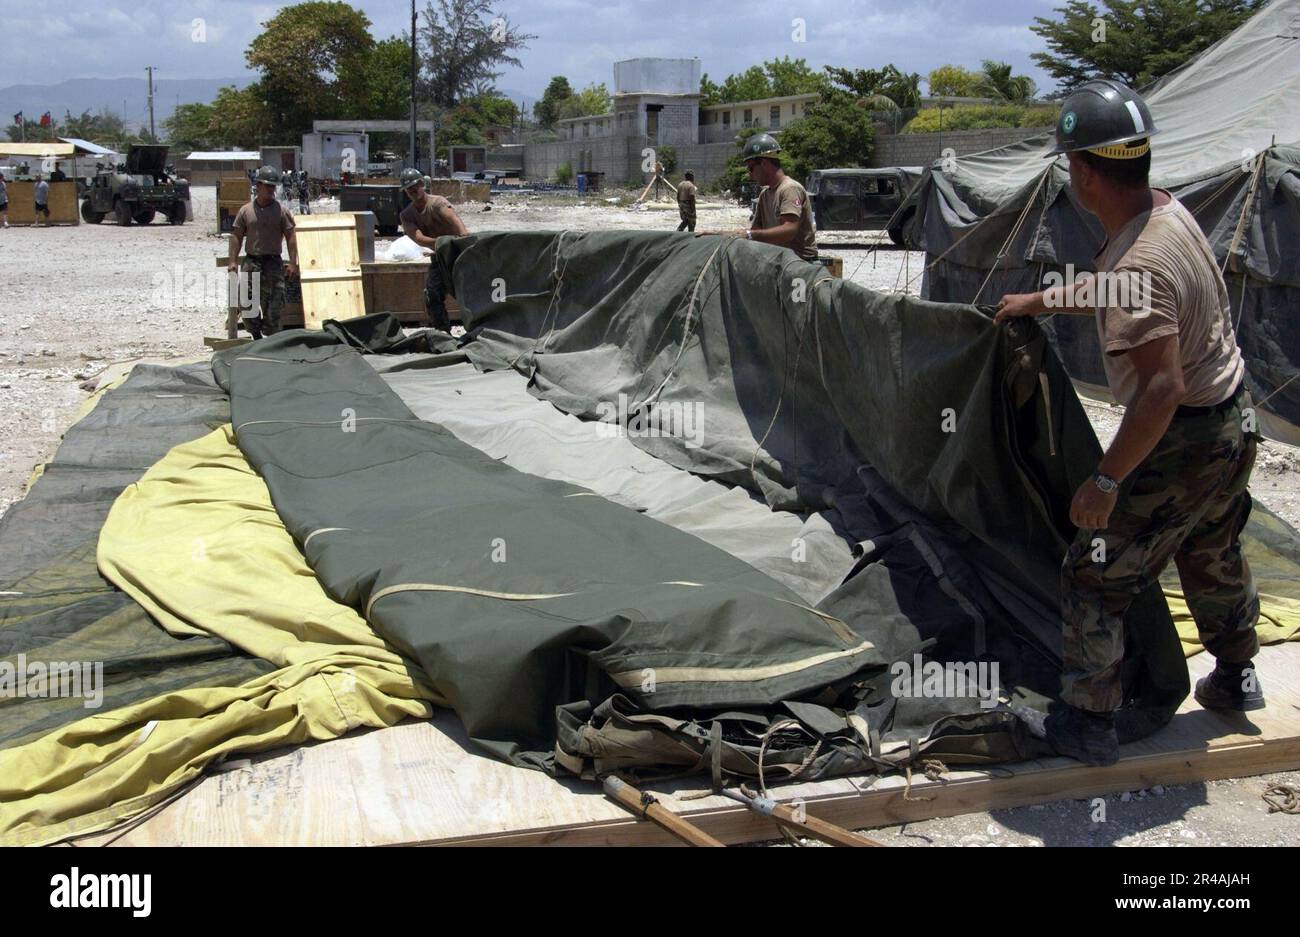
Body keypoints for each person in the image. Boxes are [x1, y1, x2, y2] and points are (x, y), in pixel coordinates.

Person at [996, 79, 1262, 767]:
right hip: (1234, 420)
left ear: (1083, 172)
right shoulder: (1165, 215)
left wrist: (1107, 480)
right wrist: (1041, 298)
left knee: (1094, 568)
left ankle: (1088, 723)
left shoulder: (1140, 255)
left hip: (1186, 436)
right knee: (1211, 549)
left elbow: (1161, 389)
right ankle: (1236, 674)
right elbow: (1119, 284)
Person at [696, 133, 816, 260]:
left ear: (764, 163)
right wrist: (722, 235)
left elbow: (789, 230)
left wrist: (747, 235)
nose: (750, 175)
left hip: (801, 263)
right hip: (778, 260)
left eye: (751, 168)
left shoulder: (789, 189)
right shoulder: (765, 194)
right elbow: (756, 231)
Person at [228, 165, 298, 340]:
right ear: (258, 185)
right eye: (267, 185)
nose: (271, 190)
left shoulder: (281, 212)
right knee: (246, 302)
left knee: (273, 306)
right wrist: (232, 261)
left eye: (273, 186)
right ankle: (256, 336)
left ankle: (272, 342)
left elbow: (291, 236)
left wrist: (293, 262)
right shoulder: (245, 211)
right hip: (252, 262)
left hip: (273, 264)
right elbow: (236, 236)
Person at [397, 167, 469, 332]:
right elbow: (419, 238)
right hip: (440, 257)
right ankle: (443, 332)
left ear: (423, 184)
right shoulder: (407, 215)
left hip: (459, 254)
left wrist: (463, 237)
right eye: (409, 189)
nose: (413, 191)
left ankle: (476, 329)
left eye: (416, 186)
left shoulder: (438, 203)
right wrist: (443, 242)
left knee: (469, 293)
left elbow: (455, 221)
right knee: (432, 295)